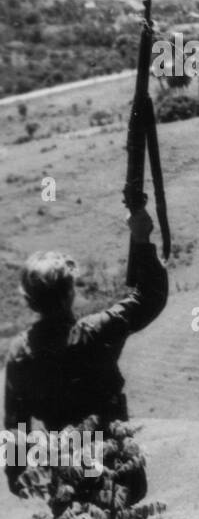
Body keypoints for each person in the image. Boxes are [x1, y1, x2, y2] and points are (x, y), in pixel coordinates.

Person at [4, 208, 167, 498]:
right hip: (117, 465)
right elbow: (150, 297)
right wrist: (141, 239)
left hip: (67, 473)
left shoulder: (20, 354)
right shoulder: (96, 332)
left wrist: (18, 477)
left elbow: (16, 425)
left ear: (30, 302)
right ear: (70, 293)